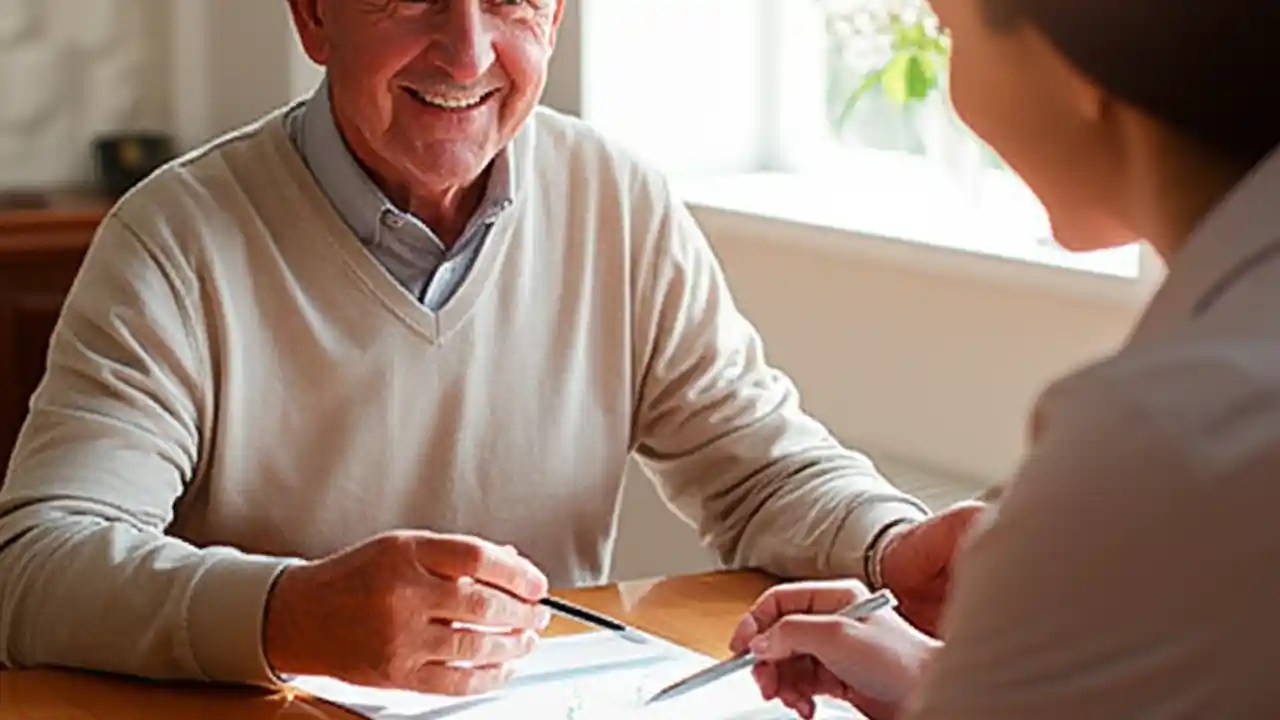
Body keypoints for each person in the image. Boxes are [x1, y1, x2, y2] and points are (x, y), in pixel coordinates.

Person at [0, 0, 980, 697]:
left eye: (511, 0)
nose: (467, 52)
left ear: (554, 18)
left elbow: (759, 469)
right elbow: (35, 567)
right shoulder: (173, 236)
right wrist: (285, 615)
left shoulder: (617, 199)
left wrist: (890, 545)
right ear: (311, 16)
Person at [731, 0, 1280, 717]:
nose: (958, 102)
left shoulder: (1162, 437)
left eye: (947, 31)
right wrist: (953, 683)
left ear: (1083, 50)